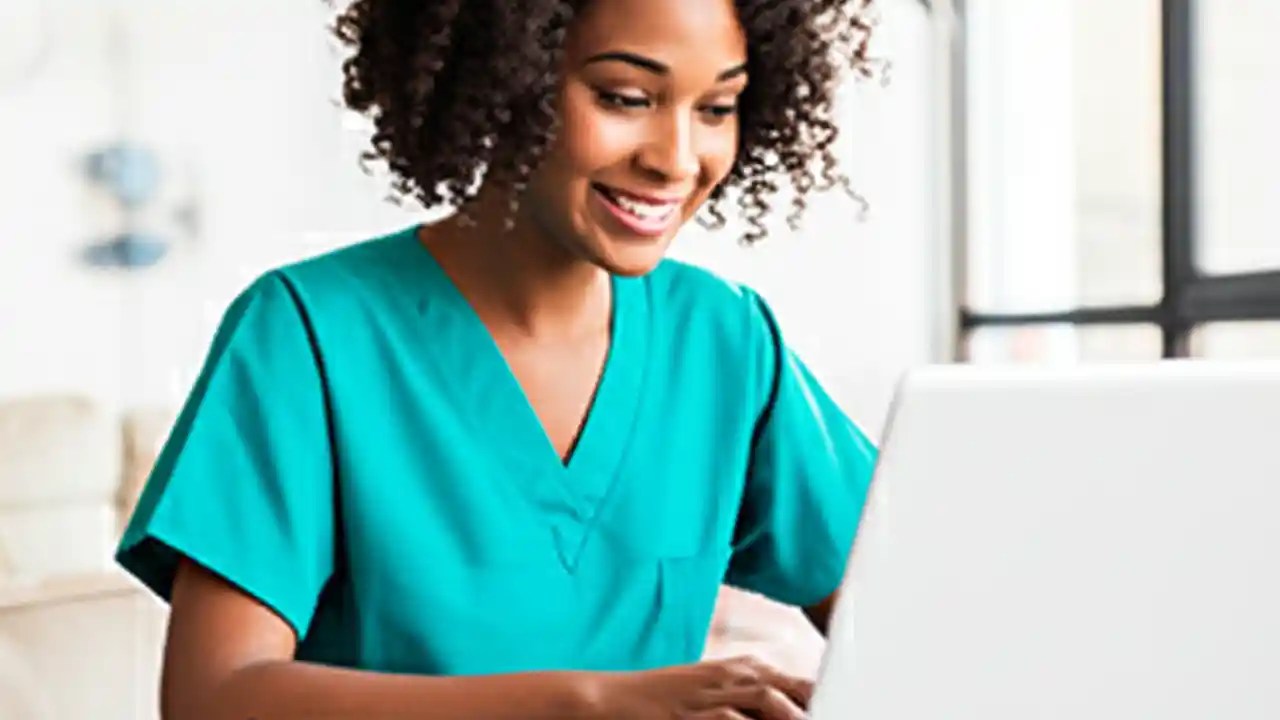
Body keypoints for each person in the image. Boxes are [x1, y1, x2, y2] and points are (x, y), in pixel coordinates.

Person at [116, 0, 880, 718]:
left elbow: (906, 614)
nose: (676, 160)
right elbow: (214, 695)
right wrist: (587, 704)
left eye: (716, 108)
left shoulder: (725, 340)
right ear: (505, 75)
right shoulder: (309, 333)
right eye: (623, 97)